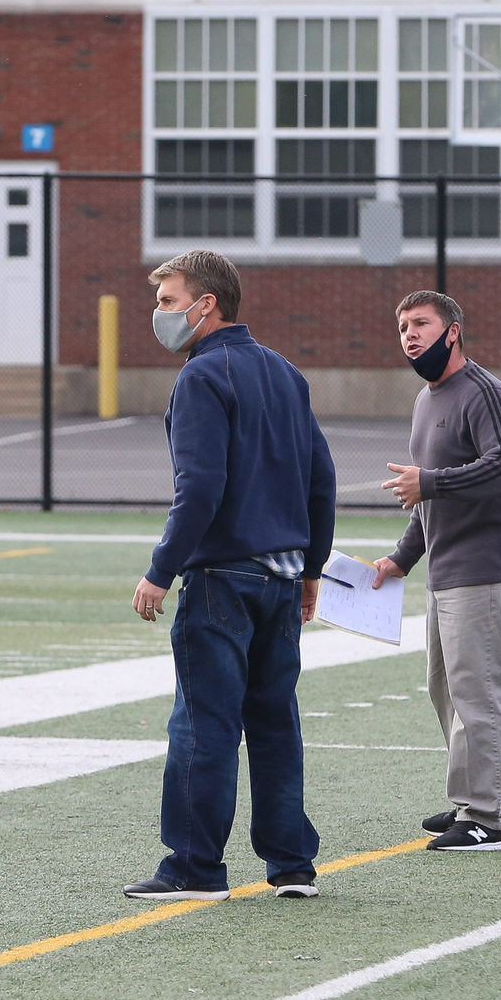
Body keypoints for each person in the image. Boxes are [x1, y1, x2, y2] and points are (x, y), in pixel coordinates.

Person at [125, 249, 336, 902]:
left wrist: (161, 569)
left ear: (204, 303)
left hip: (221, 580)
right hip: (278, 579)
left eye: (167, 301)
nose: (158, 314)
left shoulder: (199, 378)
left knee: (202, 722)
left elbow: (201, 488)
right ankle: (291, 865)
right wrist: (311, 569)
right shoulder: (284, 373)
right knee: (275, 723)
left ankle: (194, 866)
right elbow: (321, 480)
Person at [372, 291, 501, 852]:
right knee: (446, 690)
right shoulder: (426, 399)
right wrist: (401, 558)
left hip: (484, 569)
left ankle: (483, 817)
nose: (409, 334)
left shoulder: (483, 391)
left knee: (474, 692)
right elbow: (429, 494)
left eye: (421, 323)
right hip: (445, 572)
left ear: (453, 331)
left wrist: (430, 483)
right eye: (403, 326)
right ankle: (490, 798)